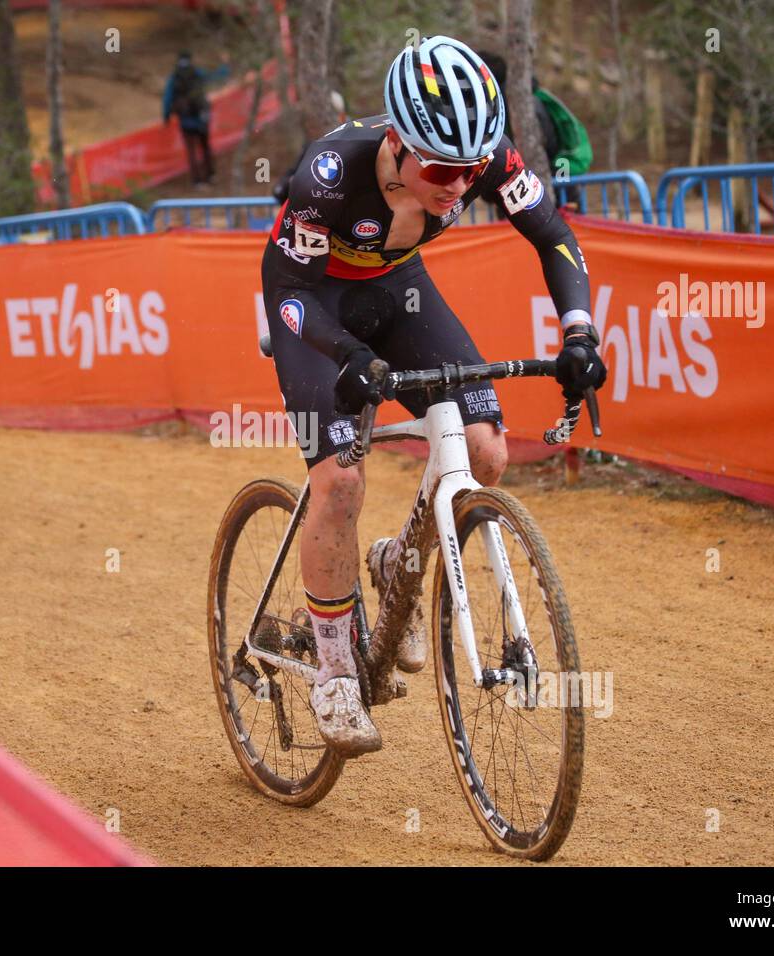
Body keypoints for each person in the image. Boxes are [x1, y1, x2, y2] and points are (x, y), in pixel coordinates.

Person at [260, 36, 606, 754]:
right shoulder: (329, 173)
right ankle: (333, 672)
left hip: (400, 290)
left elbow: (551, 234)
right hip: (314, 306)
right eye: (443, 170)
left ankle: (397, 562)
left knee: (485, 454)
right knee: (341, 483)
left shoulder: (486, 157)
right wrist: (349, 355)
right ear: (397, 142)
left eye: (470, 171)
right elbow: (287, 293)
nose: (458, 186)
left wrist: (579, 332)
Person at [162, 51, 229, 186]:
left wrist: (166, 116)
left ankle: (197, 180)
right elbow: (215, 77)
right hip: (201, 118)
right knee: (205, 147)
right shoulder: (197, 73)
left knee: (191, 151)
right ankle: (210, 175)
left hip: (186, 120)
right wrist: (225, 65)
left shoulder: (174, 77)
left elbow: (167, 99)